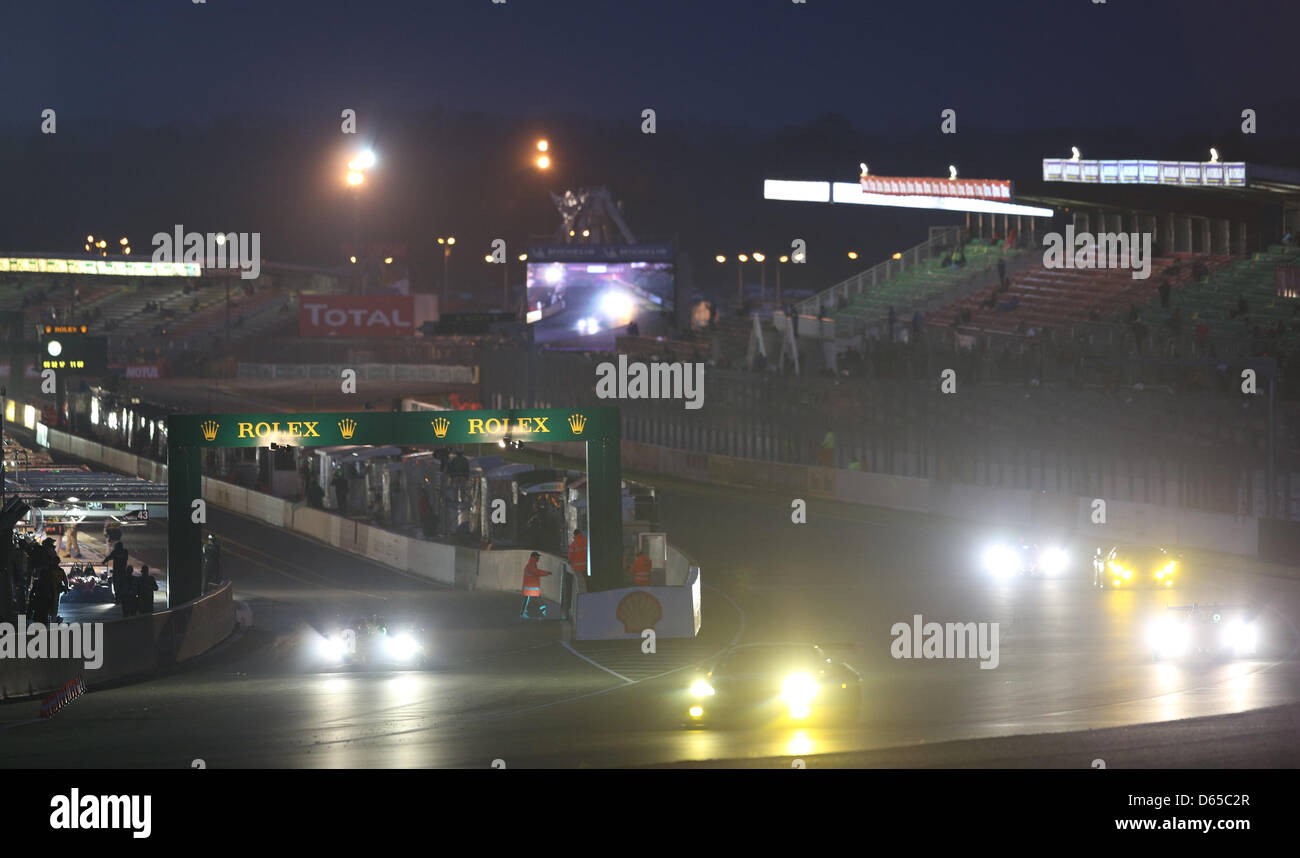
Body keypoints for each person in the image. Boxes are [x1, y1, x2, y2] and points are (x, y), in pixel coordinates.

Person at [520, 551, 550, 619]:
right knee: (536, 600)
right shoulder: (531, 564)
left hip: (530, 588)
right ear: (534, 557)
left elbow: (536, 572)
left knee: (529, 600)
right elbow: (537, 572)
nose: (538, 558)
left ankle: (523, 613)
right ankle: (545, 612)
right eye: (537, 557)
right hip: (531, 588)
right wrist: (546, 573)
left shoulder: (531, 564)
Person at [107, 540, 129, 606]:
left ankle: (118, 599)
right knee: (121, 585)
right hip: (122, 571)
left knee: (117, 585)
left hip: (117, 572)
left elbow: (110, 557)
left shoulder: (116, 552)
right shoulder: (124, 551)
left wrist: (104, 561)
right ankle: (120, 598)